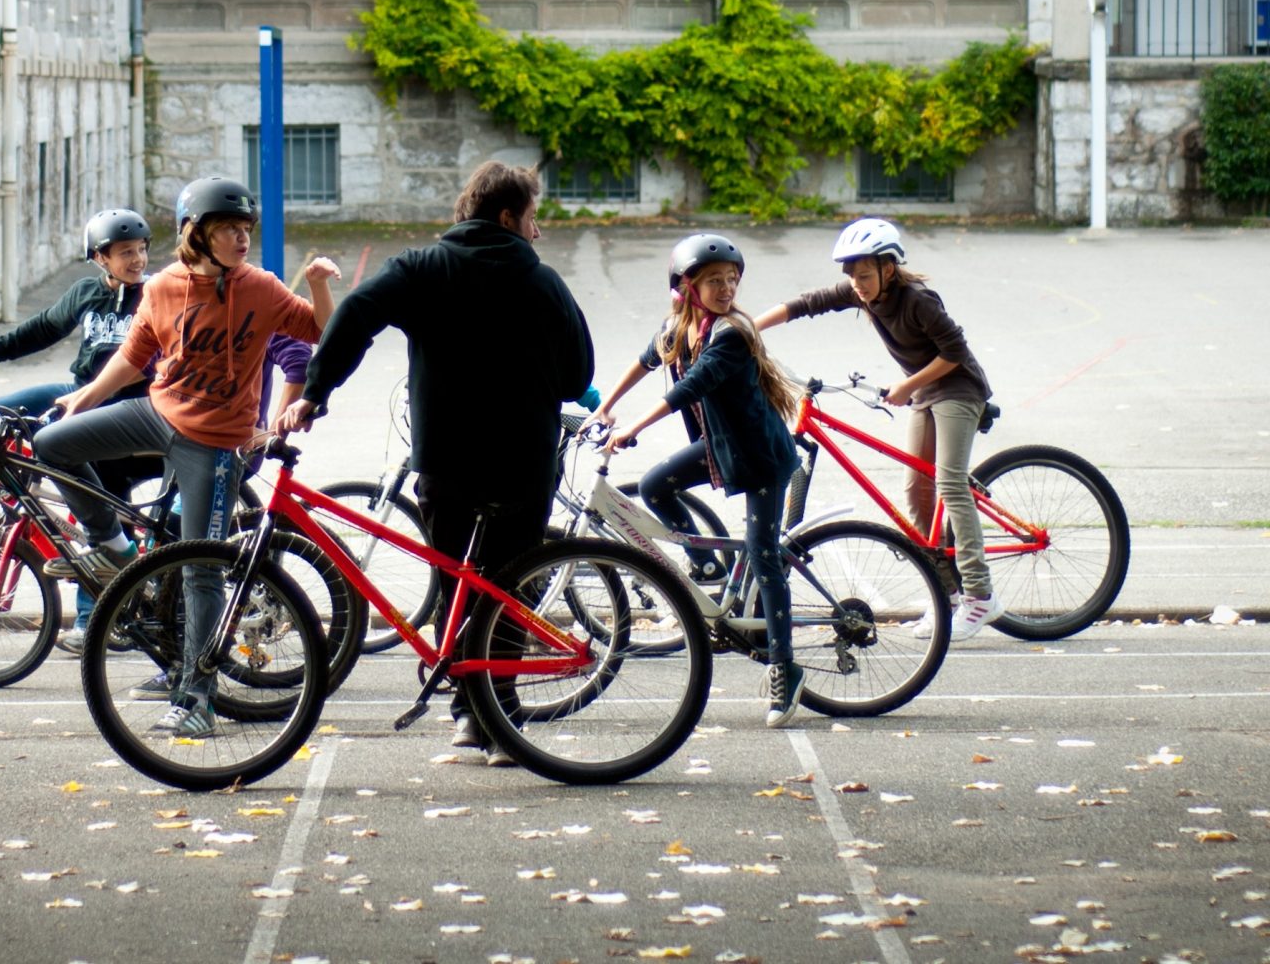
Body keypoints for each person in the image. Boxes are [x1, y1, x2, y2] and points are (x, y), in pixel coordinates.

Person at [277, 161, 594, 766]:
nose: (538, 231)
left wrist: (316, 393)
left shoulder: (420, 269)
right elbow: (579, 374)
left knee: (455, 579)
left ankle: (466, 717)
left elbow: (353, 318)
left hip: (446, 455)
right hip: (523, 458)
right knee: (509, 584)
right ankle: (500, 718)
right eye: (533, 218)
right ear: (507, 217)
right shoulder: (544, 283)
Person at [34, 176, 340, 738]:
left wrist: (318, 284)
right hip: (158, 414)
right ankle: (112, 546)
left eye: (245, 228)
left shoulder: (262, 287)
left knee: (203, 571)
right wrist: (85, 397)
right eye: (228, 228)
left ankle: (196, 697)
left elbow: (318, 329)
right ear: (195, 234)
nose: (241, 238)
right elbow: (134, 355)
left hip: (217, 443)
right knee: (50, 443)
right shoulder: (165, 286)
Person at [588, 235, 804, 728]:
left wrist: (631, 430)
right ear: (686, 288)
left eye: (731, 279)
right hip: (721, 446)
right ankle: (707, 569)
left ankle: (784, 667)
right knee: (655, 486)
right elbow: (644, 364)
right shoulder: (676, 330)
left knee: (762, 552)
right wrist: (603, 408)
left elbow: (691, 388)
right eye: (714, 281)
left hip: (760, 456)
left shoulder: (731, 333)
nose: (727, 288)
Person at [753, 217, 998, 642]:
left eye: (864, 275)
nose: (857, 285)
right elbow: (806, 304)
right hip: (925, 395)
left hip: (958, 389)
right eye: (851, 276)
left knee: (949, 481)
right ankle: (949, 595)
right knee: (915, 491)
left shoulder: (918, 300)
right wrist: (748, 328)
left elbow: (956, 352)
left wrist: (907, 384)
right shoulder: (862, 294)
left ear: (888, 268)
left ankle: (981, 596)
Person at [0, 207, 157, 655]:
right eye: (126, 252)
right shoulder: (87, 292)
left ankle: (93, 622)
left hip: (125, 409)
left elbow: (148, 364)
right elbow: (44, 327)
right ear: (99, 258)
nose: (137, 259)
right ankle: (11, 496)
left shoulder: (155, 296)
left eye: (141, 250)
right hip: (78, 392)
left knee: (98, 511)